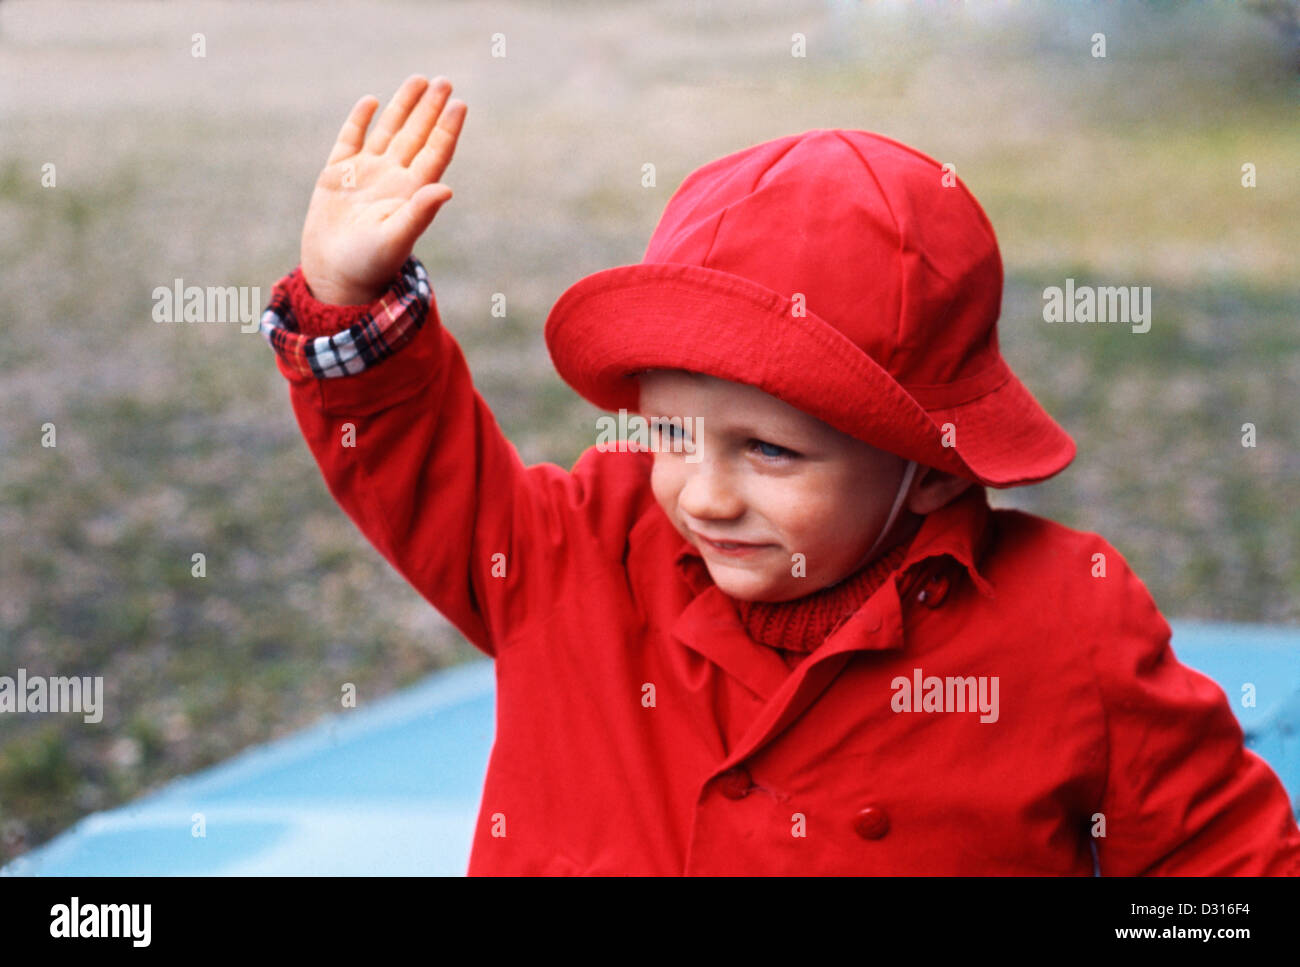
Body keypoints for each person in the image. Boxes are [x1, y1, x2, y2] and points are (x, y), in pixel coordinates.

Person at [259, 73, 1300, 875]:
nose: (703, 494)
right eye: (668, 435)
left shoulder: (1064, 629)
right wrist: (351, 299)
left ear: (930, 471)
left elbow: (1222, 860)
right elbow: (418, 461)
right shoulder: (576, 550)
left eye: (769, 451)